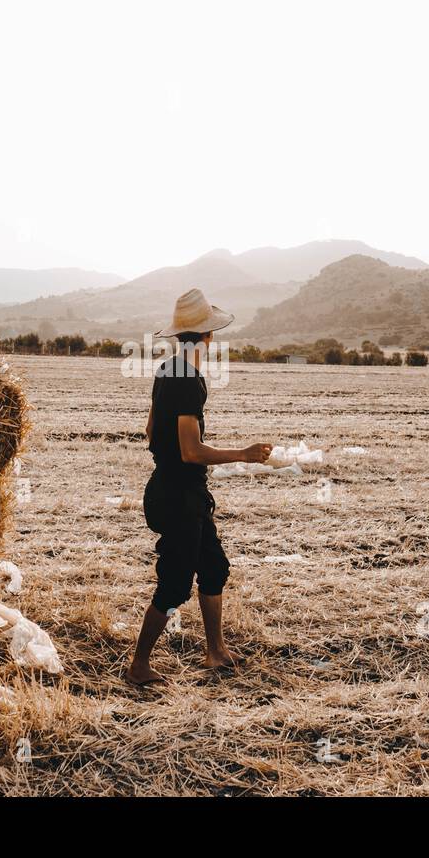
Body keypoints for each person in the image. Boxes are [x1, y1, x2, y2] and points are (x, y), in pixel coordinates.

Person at [124, 288, 273, 686]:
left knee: (213, 568)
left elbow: (151, 430)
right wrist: (244, 454)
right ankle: (139, 666)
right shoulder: (189, 380)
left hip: (173, 489)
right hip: (179, 497)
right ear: (208, 336)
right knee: (174, 585)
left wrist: (170, 459)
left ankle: (216, 651)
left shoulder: (166, 371)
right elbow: (191, 452)